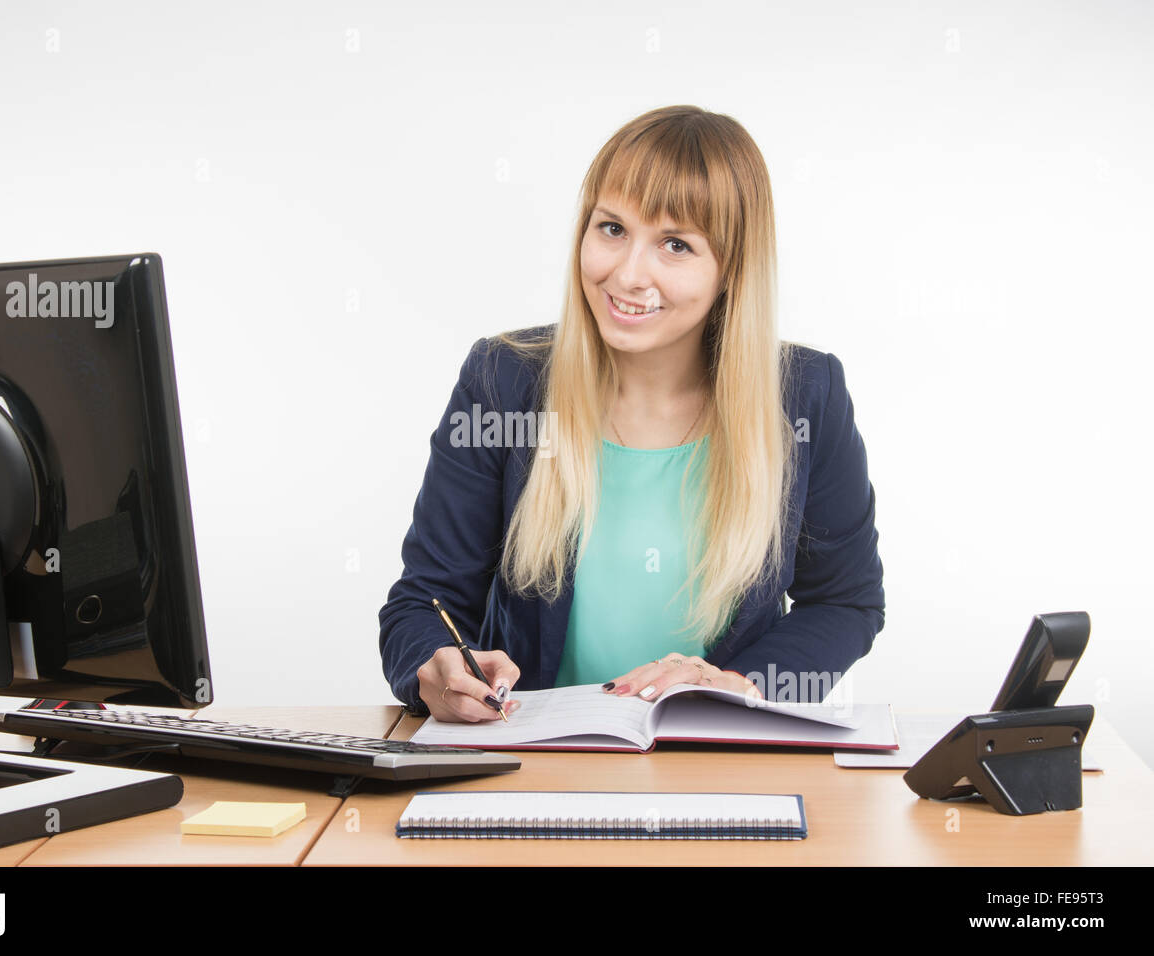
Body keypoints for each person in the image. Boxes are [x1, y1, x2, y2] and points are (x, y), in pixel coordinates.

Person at [379, 105, 884, 723]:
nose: (627, 273)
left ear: (731, 270)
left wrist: (737, 686)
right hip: (531, 768)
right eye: (612, 228)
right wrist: (434, 668)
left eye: (676, 244)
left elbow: (844, 603)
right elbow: (424, 602)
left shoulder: (806, 394)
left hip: (718, 762)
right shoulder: (504, 379)